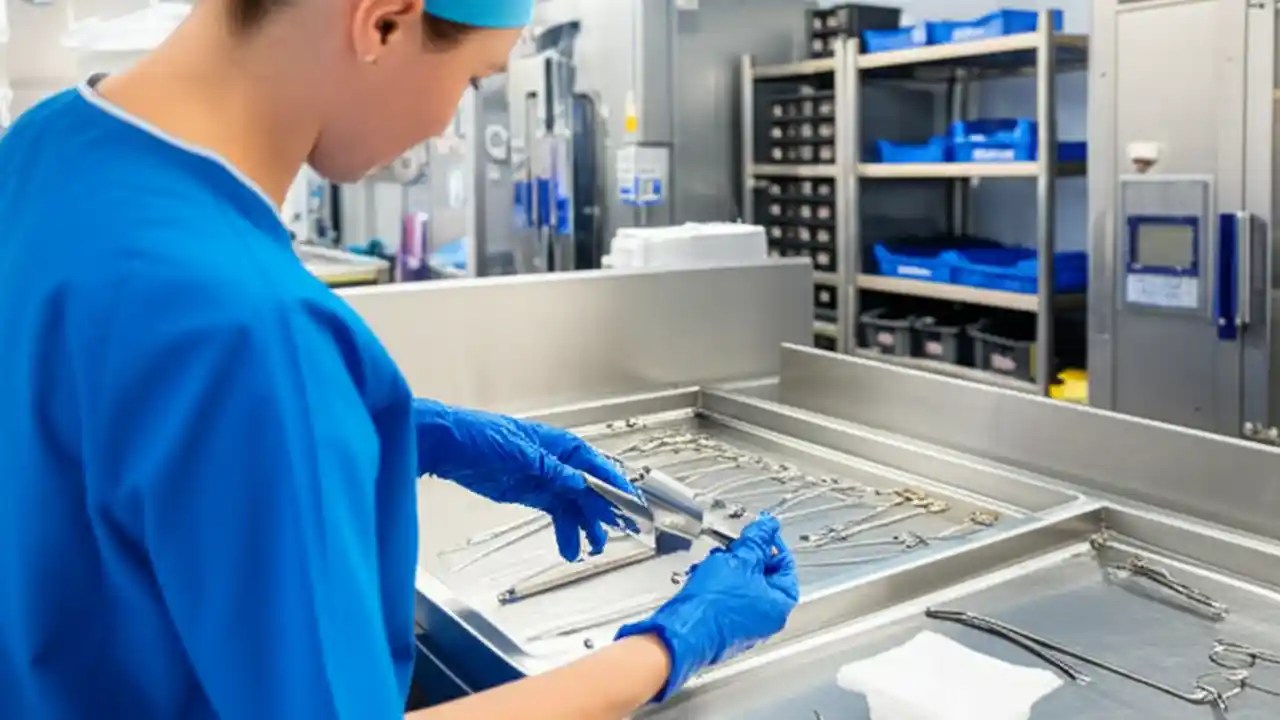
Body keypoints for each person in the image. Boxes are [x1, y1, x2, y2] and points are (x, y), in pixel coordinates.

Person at [0, 0, 800, 718]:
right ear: (381, 21)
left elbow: (92, 420)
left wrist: (398, 429)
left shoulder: (44, 147)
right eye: (472, 79)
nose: (450, 125)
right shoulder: (252, 326)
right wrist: (665, 649)